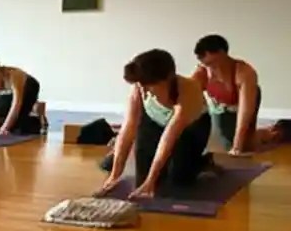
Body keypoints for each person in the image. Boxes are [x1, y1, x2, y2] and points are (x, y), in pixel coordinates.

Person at [99, 49, 214, 199]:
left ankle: (203, 162)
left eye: (150, 85)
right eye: (141, 84)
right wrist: (114, 175)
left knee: (179, 179)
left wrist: (151, 181)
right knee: (142, 180)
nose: (144, 91)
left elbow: (169, 137)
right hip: (155, 121)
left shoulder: (188, 89)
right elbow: (128, 129)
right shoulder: (140, 87)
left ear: (168, 79)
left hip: (191, 128)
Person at [191, 34, 261, 155]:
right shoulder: (202, 72)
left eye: (213, 63)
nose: (211, 68)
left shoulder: (244, 72)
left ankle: (275, 132)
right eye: (206, 64)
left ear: (223, 53)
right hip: (220, 105)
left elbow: (245, 111)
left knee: (245, 144)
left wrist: (237, 147)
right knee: (225, 142)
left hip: (243, 100)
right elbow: (187, 99)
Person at [0, 54, 44, 135]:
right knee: (1, 121)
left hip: (29, 86)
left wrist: (3, 130)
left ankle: (38, 117)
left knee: (17, 126)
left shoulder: (14, 75)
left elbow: (16, 103)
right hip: (9, 91)